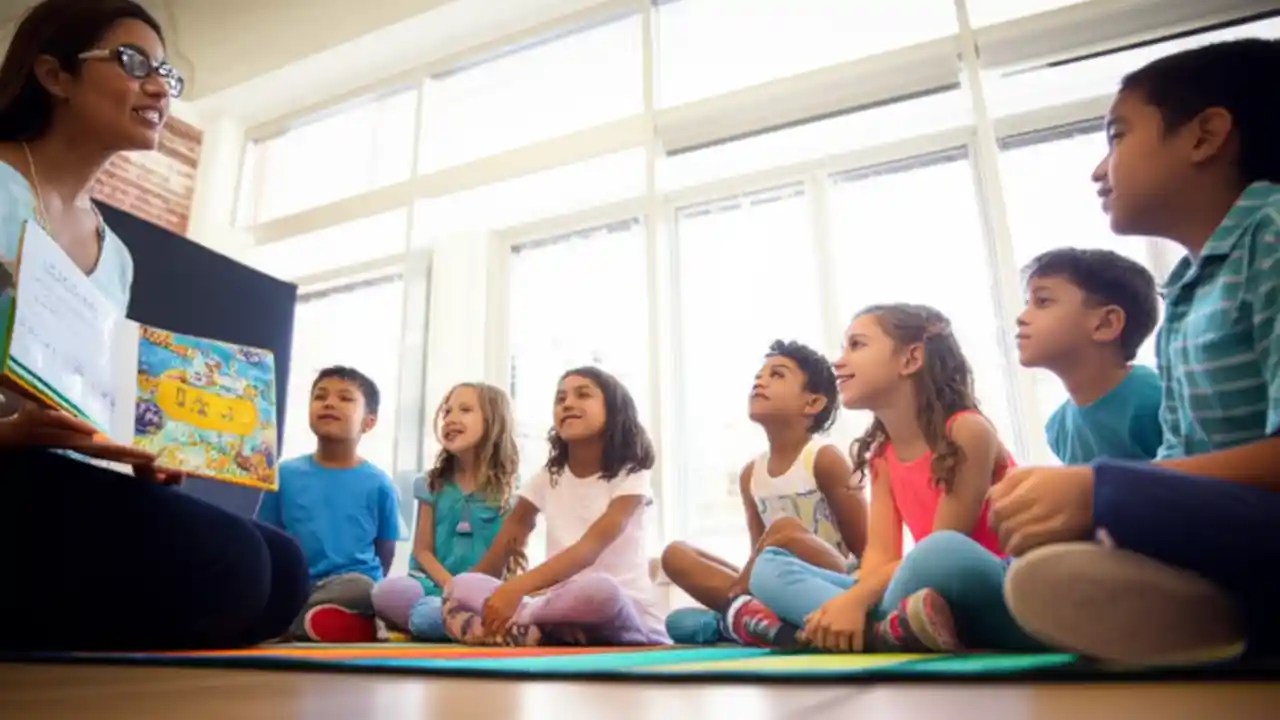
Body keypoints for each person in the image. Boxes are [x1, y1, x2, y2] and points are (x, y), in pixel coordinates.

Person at [0, 0, 307, 652]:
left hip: (55, 479)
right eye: (132, 61)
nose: (159, 87)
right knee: (239, 570)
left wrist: (140, 447)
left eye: (166, 74)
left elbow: (85, 394)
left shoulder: (116, 255)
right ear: (54, 75)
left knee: (284, 569)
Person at [993, 38, 1280, 665]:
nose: (1100, 170)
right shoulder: (1185, 291)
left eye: (1117, 136)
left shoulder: (1275, 236)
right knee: (1039, 567)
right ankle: (1228, 617)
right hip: (1234, 535)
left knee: (1111, 495)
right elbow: (1178, 460)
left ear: (1205, 136)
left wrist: (1099, 490)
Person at [748, 304, 1043, 653]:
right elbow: (880, 557)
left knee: (937, 550)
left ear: (911, 358)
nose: (839, 362)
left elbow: (943, 552)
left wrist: (855, 601)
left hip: (998, 592)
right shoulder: (882, 456)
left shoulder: (967, 430)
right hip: (922, 595)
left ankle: (857, 630)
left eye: (856, 345)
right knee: (768, 568)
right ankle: (888, 631)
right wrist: (854, 597)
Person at [442, 367, 670, 646]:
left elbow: (588, 550)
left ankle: (523, 623)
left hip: (619, 607)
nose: (568, 404)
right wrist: (462, 592)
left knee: (600, 590)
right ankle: (538, 626)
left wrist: (516, 590)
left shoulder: (632, 476)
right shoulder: (545, 480)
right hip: (558, 604)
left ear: (614, 411)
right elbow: (501, 550)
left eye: (582, 394)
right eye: (560, 399)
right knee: (462, 586)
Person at [662, 340, 867, 646]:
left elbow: (866, 550)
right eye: (760, 374)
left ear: (812, 403)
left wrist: (744, 583)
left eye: (777, 375)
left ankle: (740, 619)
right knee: (675, 557)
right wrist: (751, 584)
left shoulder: (824, 459)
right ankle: (762, 620)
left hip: (830, 581)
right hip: (770, 581)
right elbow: (757, 556)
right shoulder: (751, 475)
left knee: (784, 531)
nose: (760, 380)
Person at [257, 366, 401, 643]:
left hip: (353, 587)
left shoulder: (380, 483)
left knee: (365, 588)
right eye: (320, 396)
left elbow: (386, 551)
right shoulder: (284, 474)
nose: (329, 403)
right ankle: (323, 623)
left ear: (368, 422)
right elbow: (267, 536)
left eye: (345, 398)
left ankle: (290, 627)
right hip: (296, 585)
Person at [370, 383, 522, 640]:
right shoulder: (430, 483)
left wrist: (469, 591)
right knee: (386, 593)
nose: (451, 419)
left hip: (482, 591)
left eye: (464, 410)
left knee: (426, 617)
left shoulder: (510, 493)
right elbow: (422, 550)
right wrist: (451, 587)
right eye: (447, 412)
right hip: (431, 587)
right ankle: (470, 627)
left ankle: (450, 624)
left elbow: (503, 559)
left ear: (494, 421)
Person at [1016, 247, 1163, 463]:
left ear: (1106, 323)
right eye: (1027, 304)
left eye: (1043, 301)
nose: (1021, 317)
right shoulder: (1058, 428)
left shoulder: (1156, 402)